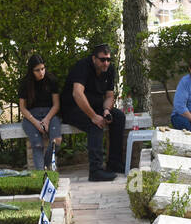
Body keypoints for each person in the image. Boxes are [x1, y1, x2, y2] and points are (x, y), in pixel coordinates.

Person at [62, 43, 126, 182]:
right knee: (95, 124)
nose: (106, 63)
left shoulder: (109, 69)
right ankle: (95, 171)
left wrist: (106, 110)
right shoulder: (82, 66)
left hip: (95, 106)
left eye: (108, 59)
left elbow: (109, 96)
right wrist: (93, 116)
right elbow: (77, 94)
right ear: (94, 59)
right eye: (102, 59)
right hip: (72, 108)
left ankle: (114, 163)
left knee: (119, 117)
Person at [19, 53, 62, 170]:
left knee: (56, 140)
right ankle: (41, 176)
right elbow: (22, 108)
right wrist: (36, 123)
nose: (41, 72)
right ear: (31, 71)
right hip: (31, 116)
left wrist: (47, 120)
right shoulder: (25, 83)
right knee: (37, 145)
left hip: (50, 114)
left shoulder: (51, 80)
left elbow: (56, 105)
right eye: (37, 70)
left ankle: (45, 165)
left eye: (43, 69)